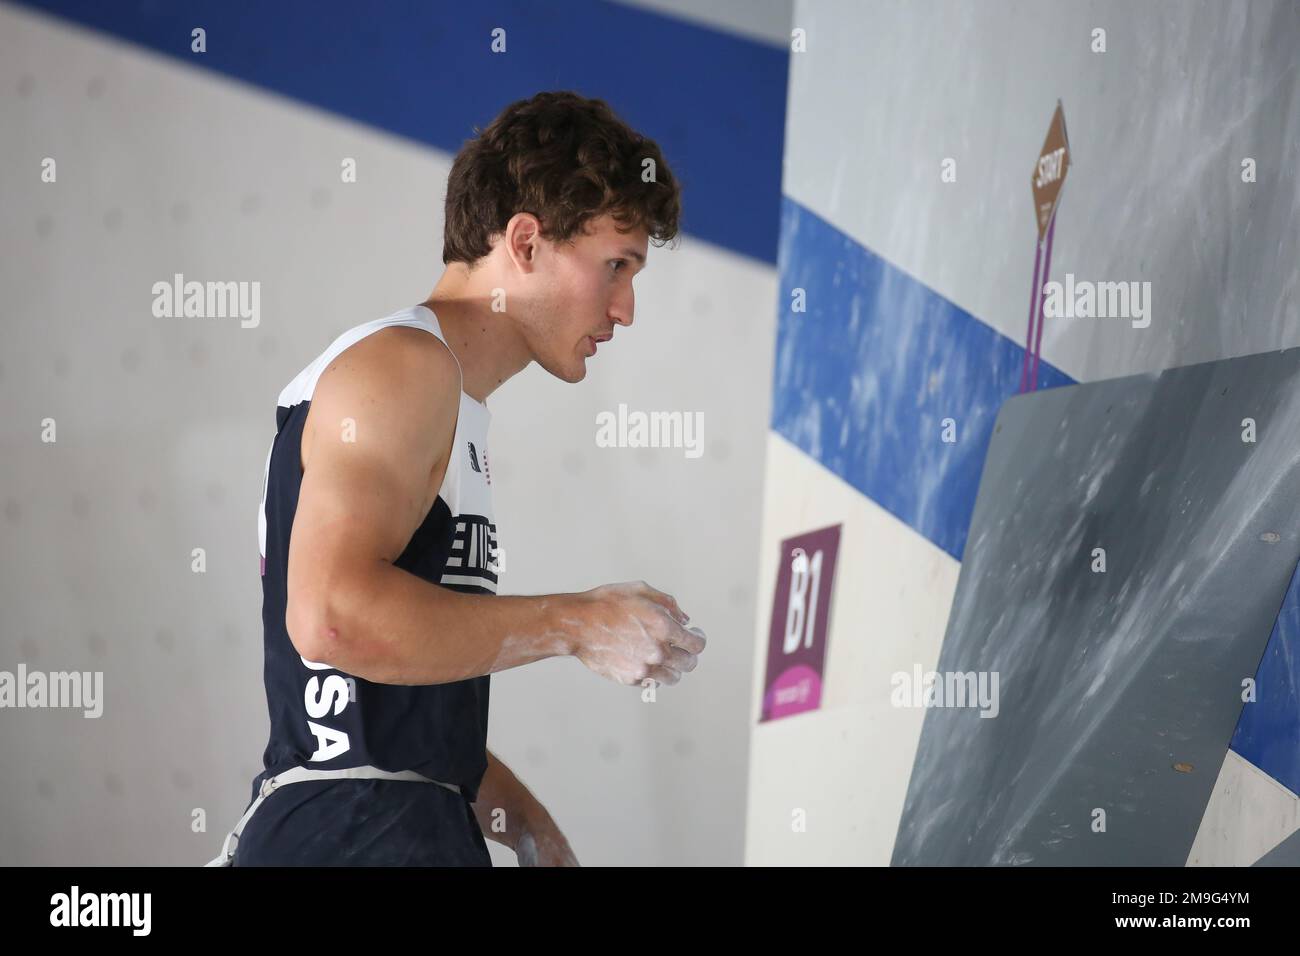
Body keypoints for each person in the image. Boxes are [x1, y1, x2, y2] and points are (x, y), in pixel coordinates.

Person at [216, 91, 705, 867]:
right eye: (616, 265)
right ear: (525, 240)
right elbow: (334, 620)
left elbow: (388, 717)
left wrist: (524, 821)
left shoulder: (449, 400)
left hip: (373, 826)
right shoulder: (403, 369)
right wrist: (575, 622)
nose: (627, 308)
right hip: (352, 833)